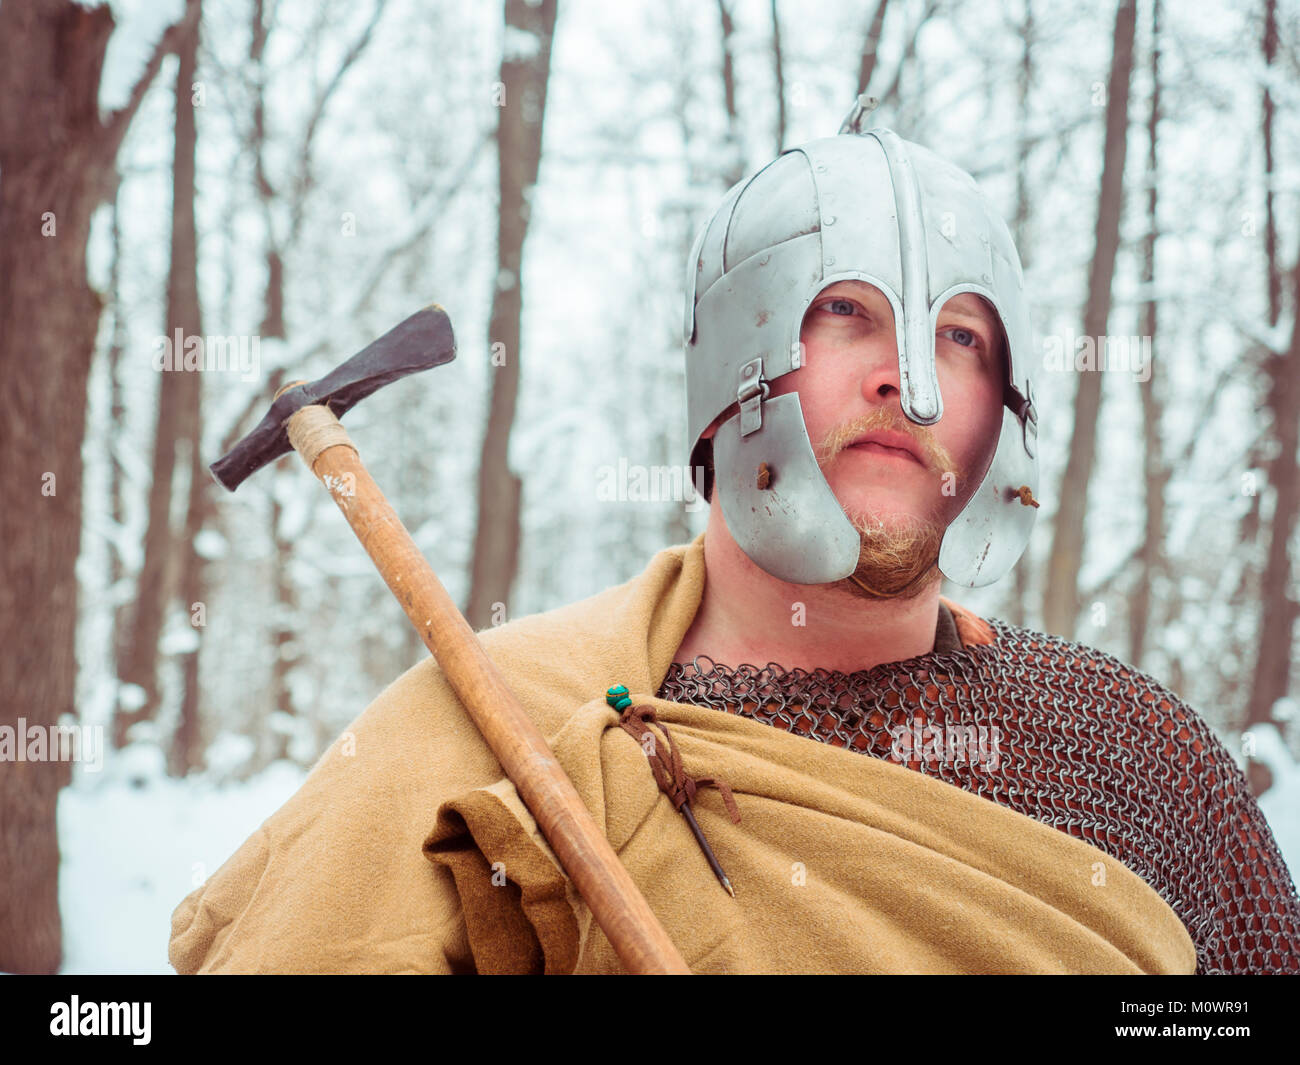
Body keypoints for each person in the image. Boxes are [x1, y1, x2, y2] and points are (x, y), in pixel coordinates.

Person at [169, 98, 1299, 975]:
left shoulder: (1141, 763)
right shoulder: (498, 727)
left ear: (1006, 404)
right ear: (734, 364)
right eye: (843, 311)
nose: (907, 380)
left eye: (958, 334)